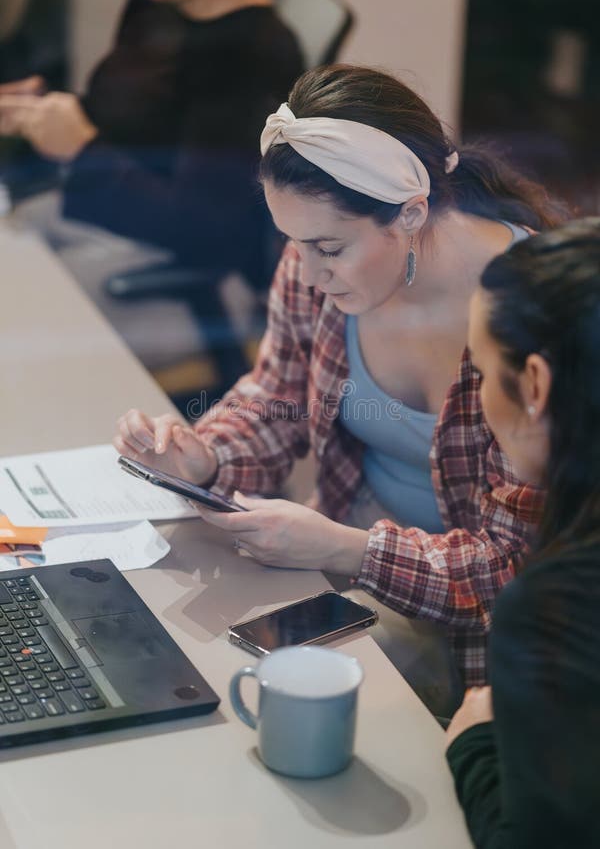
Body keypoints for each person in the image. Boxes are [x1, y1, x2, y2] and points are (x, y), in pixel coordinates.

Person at [114, 64, 566, 692]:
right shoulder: (317, 273)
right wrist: (205, 459)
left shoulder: (541, 321)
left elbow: (516, 568)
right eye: (291, 243)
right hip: (344, 570)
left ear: (411, 213)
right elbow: (276, 401)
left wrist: (347, 550)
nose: (305, 272)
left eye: (328, 248)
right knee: (196, 668)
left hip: (493, 633)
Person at [0, 0, 303, 283]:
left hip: (178, 256)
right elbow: (138, 110)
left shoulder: (251, 54)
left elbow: (207, 229)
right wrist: (42, 109)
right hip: (106, 210)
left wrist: (82, 150)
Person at [444, 218, 600, 847]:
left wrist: (476, 747)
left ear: (535, 383)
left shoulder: (556, 606)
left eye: (480, 373)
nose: (477, 400)